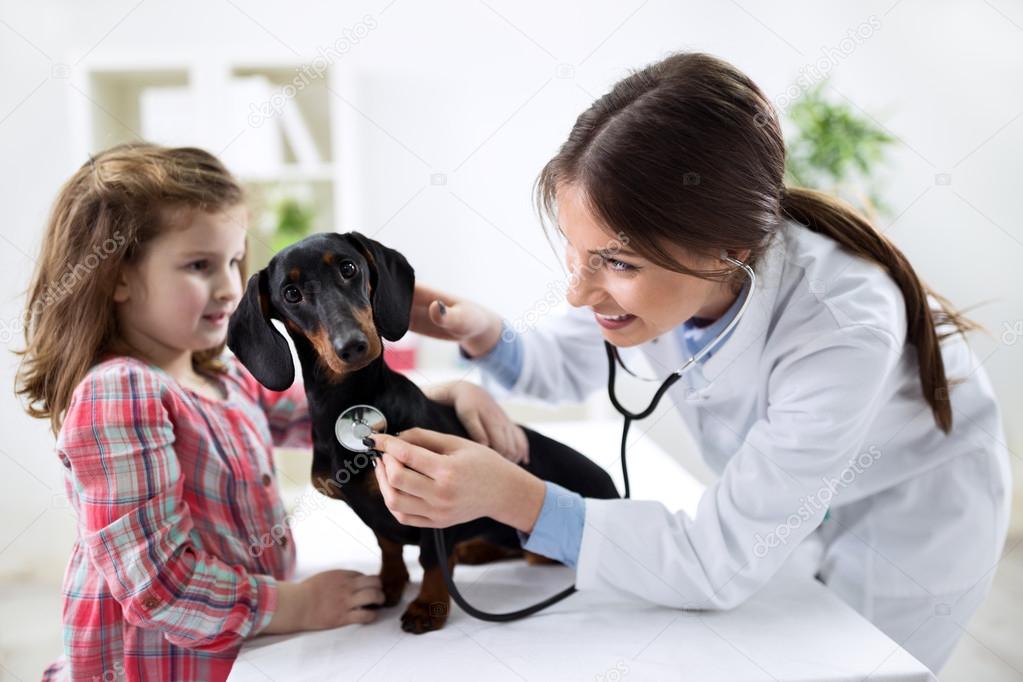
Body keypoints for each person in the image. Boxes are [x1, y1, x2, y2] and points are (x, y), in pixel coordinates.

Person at [365, 52, 1011, 674]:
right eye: (575, 251)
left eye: (616, 263)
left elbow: (715, 560)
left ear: (723, 254)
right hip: (802, 505)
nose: (578, 292)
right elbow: (560, 362)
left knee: (857, 667)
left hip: (908, 522)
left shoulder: (840, 326)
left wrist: (516, 499)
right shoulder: (675, 273)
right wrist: (480, 332)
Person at [15, 144, 396, 681]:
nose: (228, 287)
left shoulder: (221, 375)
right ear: (116, 278)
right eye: (199, 265)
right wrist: (296, 605)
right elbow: (161, 585)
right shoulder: (120, 393)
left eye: (235, 261)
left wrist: (443, 397)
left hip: (247, 651)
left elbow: (323, 416)